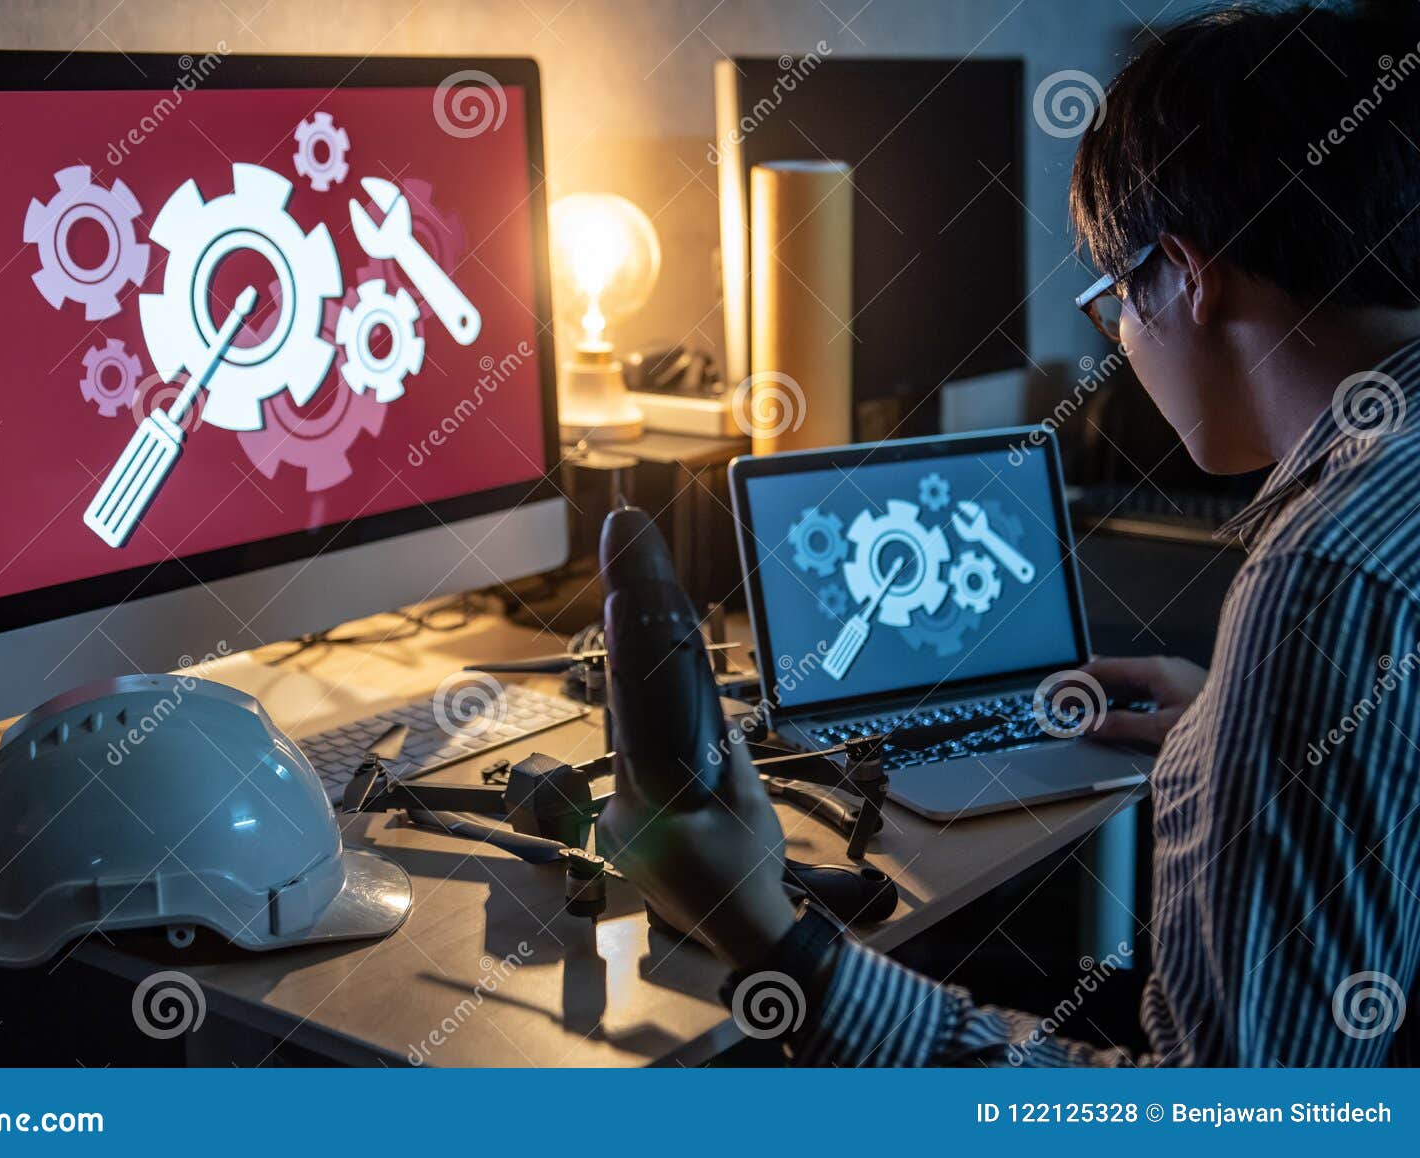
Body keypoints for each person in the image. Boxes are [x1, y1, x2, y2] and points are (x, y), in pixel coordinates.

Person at [600, 1, 1420, 1065]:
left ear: (1189, 274)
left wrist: (773, 937)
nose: (1120, 339)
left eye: (1115, 297)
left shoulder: (1325, 575)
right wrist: (1235, 738)